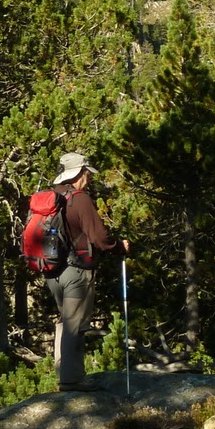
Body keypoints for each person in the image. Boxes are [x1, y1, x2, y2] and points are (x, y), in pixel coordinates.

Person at [44, 151, 129, 391]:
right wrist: (118, 247)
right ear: (80, 174)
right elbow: (100, 238)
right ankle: (71, 381)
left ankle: (64, 374)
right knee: (74, 324)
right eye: (87, 174)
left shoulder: (50, 196)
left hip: (52, 271)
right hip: (76, 272)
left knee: (65, 321)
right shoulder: (79, 199)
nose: (88, 178)